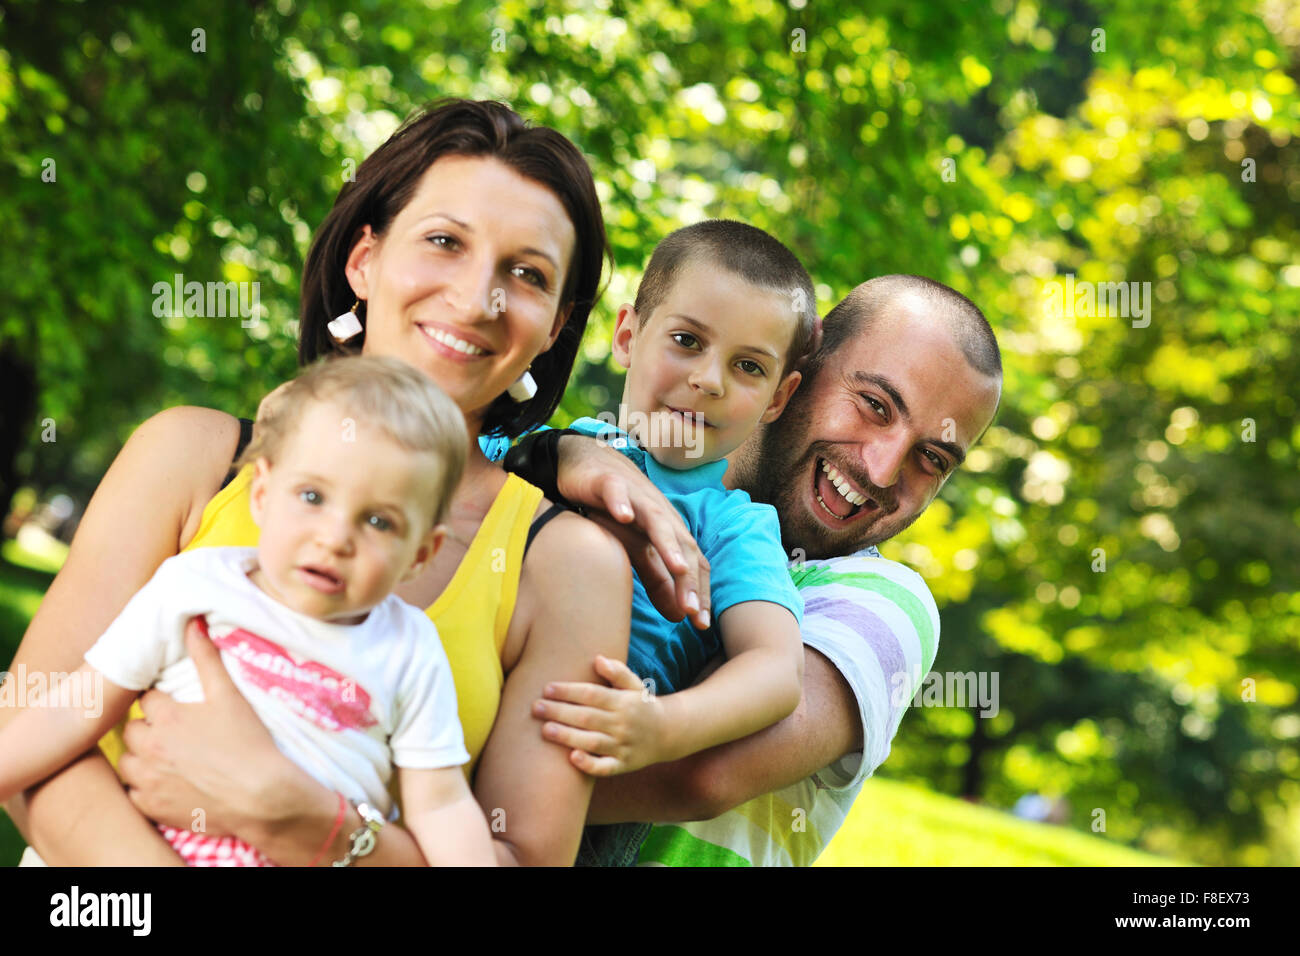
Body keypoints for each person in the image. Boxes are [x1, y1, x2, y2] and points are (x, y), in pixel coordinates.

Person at [0, 99, 634, 866]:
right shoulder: (191, 457)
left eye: (525, 274)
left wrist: (304, 819)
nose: (476, 300)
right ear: (363, 260)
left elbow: (522, 858)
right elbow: (33, 728)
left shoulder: (566, 566)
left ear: (556, 325)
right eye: (443, 242)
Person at [522, 274, 1005, 865]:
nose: (881, 472)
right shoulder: (613, 463)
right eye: (875, 406)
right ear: (799, 371)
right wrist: (563, 453)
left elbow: (701, 773)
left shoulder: (884, 604)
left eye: (931, 458)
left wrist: (448, 771)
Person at [0, 356, 499, 866]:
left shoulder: (409, 647)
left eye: (378, 521)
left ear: (420, 553)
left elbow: (440, 805)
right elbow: (75, 707)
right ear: (262, 494)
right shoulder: (197, 585)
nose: (335, 538)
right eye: (312, 495)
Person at [526, 220, 817, 865]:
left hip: (574, 807)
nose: (709, 380)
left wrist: (660, 728)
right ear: (627, 333)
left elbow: (774, 671)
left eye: (748, 367)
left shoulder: (733, 526)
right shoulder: (544, 446)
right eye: (686, 341)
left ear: (779, 397)